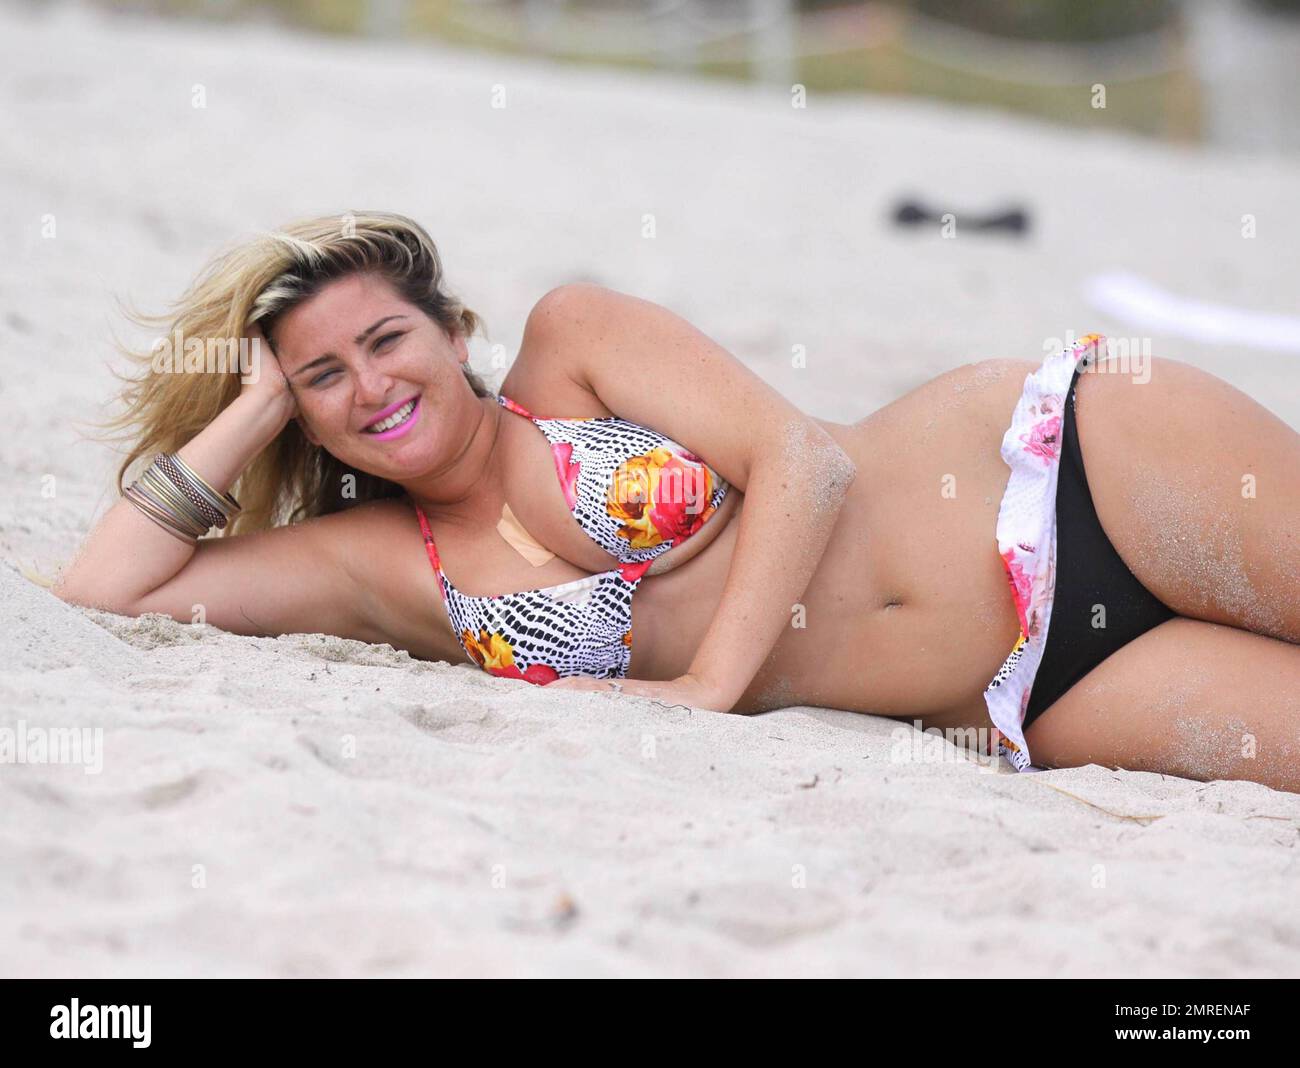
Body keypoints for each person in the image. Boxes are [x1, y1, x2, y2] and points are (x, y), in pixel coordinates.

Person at [51, 212, 1300, 791]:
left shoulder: (571, 346)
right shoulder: (375, 563)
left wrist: (710, 688)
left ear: (452, 329)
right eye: (324, 376)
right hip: (1028, 692)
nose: (370, 386)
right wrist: (251, 402)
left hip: (1065, 465)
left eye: (386, 340)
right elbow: (107, 595)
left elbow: (806, 462)